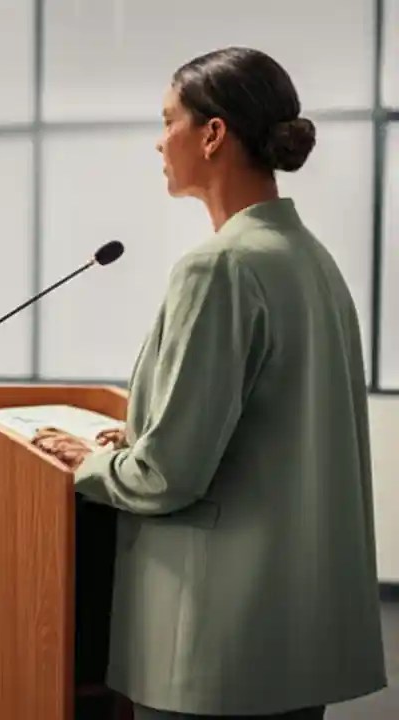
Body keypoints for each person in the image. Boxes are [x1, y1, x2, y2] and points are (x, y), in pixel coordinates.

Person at [31, 48, 386, 720]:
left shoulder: (219, 268)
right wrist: (136, 438)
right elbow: (266, 430)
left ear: (213, 133)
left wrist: (91, 461)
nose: (159, 141)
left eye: (168, 121)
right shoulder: (312, 260)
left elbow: (169, 476)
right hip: (292, 631)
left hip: (216, 638)